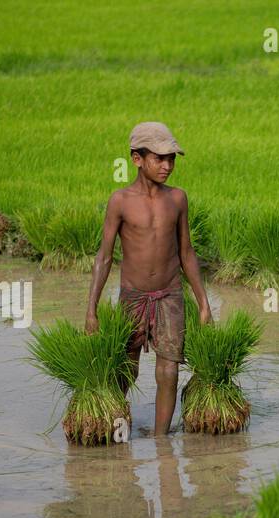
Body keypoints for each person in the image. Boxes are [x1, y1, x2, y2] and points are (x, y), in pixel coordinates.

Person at [85, 121, 213, 435]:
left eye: (171, 159)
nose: (167, 165)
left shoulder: (178, 199)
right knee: (125, 370)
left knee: (168, 371)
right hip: (132, 296)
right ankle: (117, 427)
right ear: (137, 159)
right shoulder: (121, 201)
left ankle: (161, 441)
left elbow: (186, 253)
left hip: (169, 295)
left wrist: (203, 303)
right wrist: (91, 310)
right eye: (159, 158)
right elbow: (104, 257)